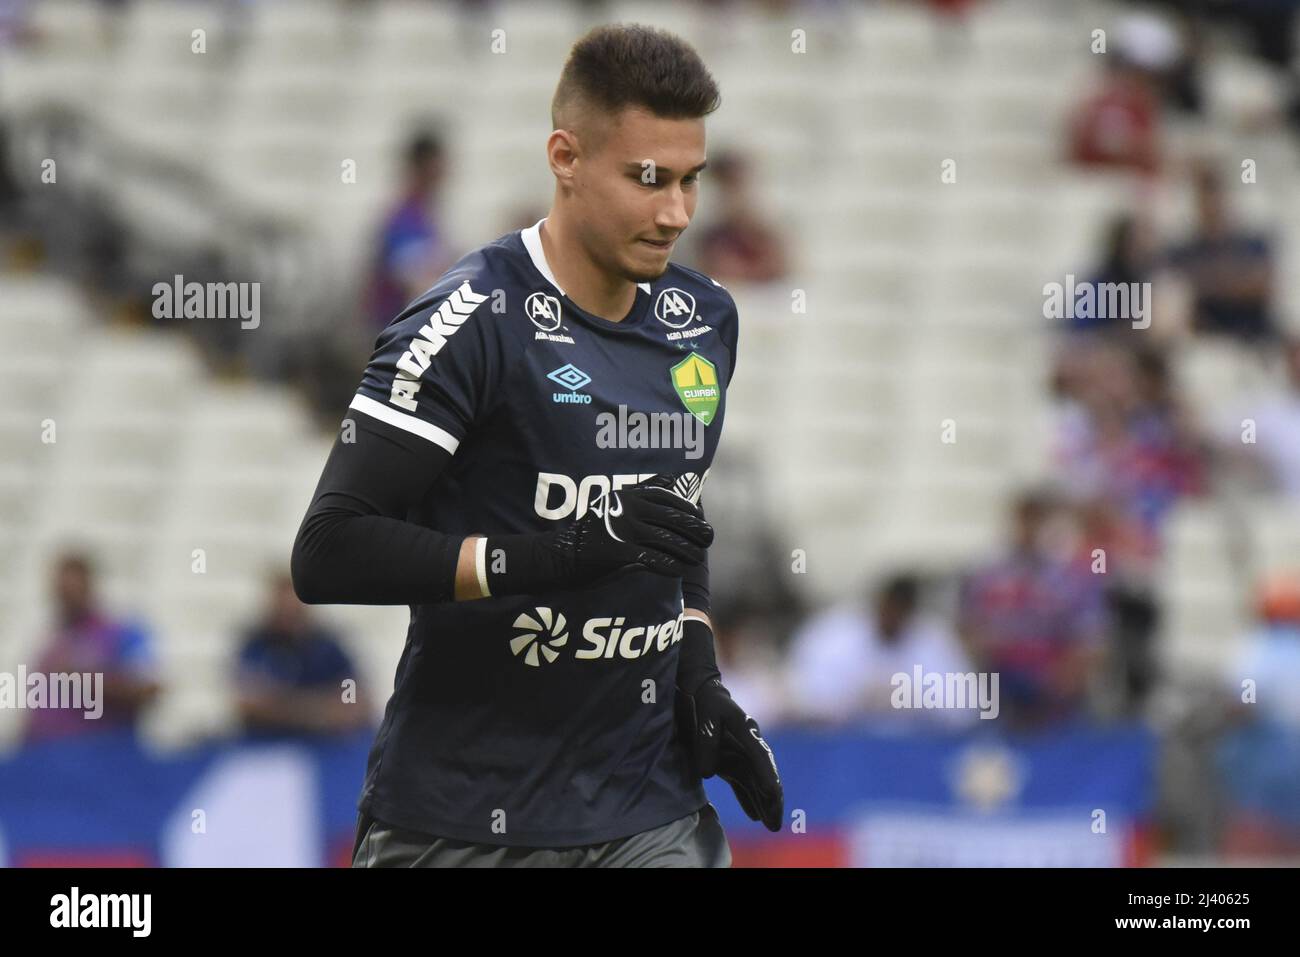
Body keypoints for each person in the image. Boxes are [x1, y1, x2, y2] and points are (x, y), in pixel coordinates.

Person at [292, 24, 781, 868]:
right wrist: (553, 556)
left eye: (691, 181)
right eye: (648, 179)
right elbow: (329, 549)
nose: (676, 212)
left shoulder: (702, 321)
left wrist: (698, 674)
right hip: (461, 817)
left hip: (646, 806)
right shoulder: (468, 320)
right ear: (565, 157)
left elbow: (675, 528)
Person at [24, 551, 161, 743]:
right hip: (50, 757)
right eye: (61, 592)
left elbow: (150, 688)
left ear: (89, 587)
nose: (66, 599)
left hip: (104, 756)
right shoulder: (51, 644)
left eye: (72, 590)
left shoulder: (120, 633)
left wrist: (85, 680)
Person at [234, 573, 368, 738]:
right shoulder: (256, 646)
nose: (288, 612)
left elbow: (353, 703)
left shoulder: (328, 650)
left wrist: (281, 707)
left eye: (294, 605)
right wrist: (320, 710)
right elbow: (248, 704)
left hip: (324, 747)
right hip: (267, 746)